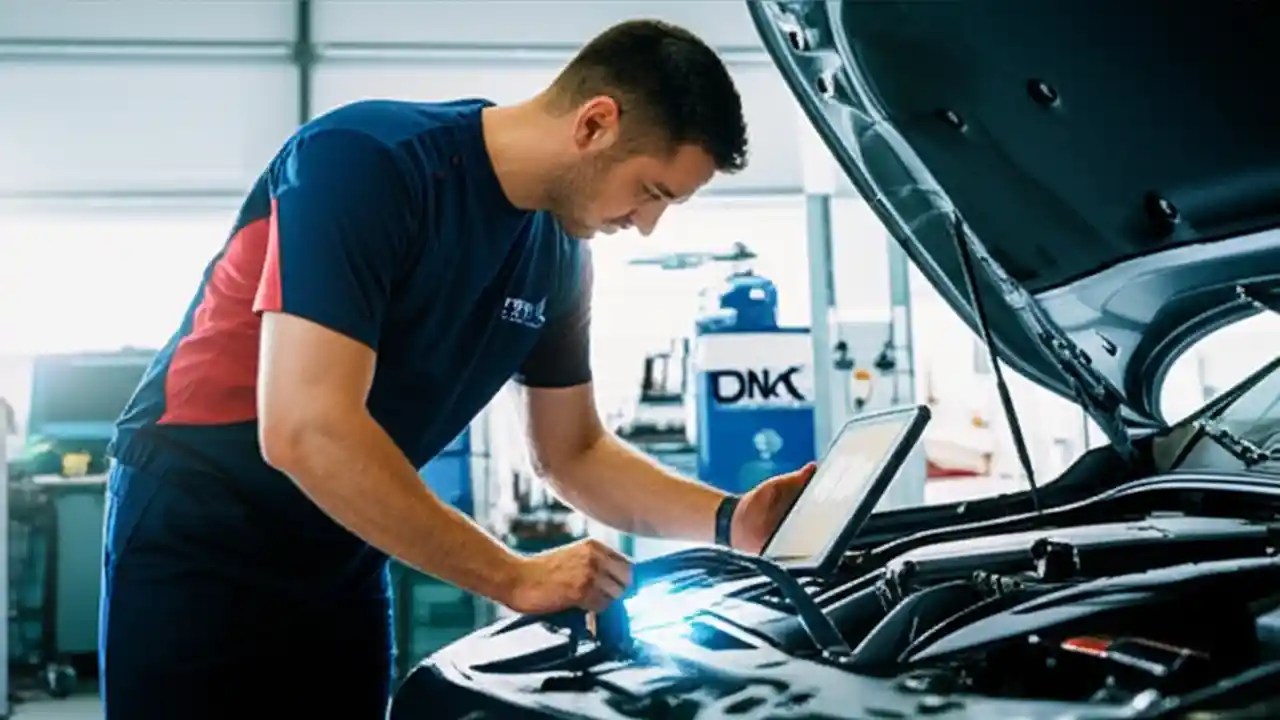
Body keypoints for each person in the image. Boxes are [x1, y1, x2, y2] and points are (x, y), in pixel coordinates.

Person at [98, 18, 816, 720]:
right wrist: (514, 576)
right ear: (595, 124)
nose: (647, 223)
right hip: (202, 520)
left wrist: (729, 519)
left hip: (343, 540)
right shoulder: (365, 162)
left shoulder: (560, 257)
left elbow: (575, 452)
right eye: (652, 191)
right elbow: (305, 428)